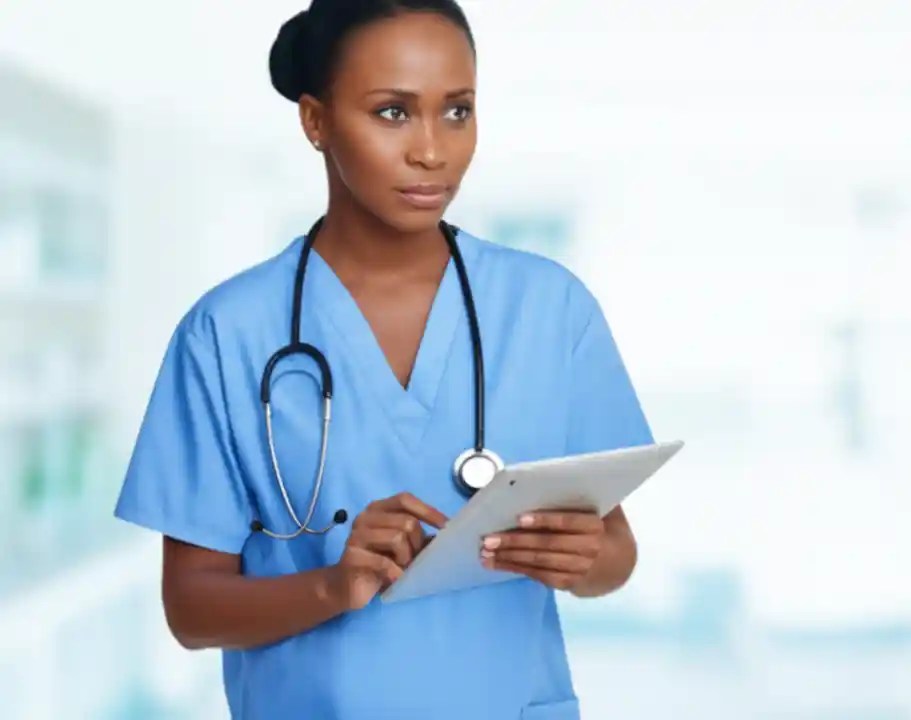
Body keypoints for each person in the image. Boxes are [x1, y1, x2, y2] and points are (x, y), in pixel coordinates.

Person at [112, 2, 653, 717]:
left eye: (456, 112)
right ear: (316, 121)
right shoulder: (226, 333)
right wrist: (332, 586)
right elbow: (190, 608)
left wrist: (584, 563)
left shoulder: (550, 309)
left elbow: (615, 553)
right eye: (393, 113)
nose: (432, 150)